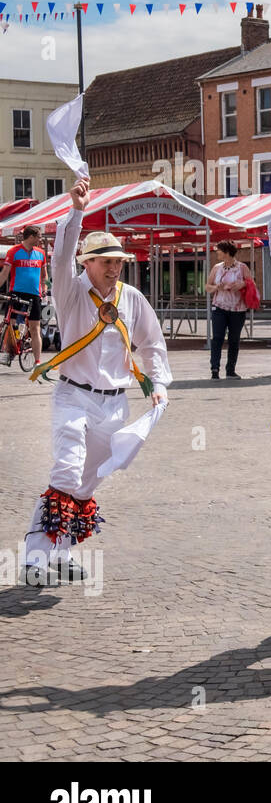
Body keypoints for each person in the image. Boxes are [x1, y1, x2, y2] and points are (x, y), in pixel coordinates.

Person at [20, 178, 170, 586]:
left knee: (88, 479)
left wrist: (159, 384)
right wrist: (77, 211)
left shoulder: (131, 298)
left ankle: (63, 552)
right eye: (106, 260)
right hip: (73, 396)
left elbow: (152, 343)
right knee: (67, 471)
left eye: (118, 260)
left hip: (114, 403)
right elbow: (62, 254)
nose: (114, 266)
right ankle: (35, 557)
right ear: (87, 263)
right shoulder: (70, 290)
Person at [2, 225, 48, 367]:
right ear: (31, 237)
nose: (40, 240)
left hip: (35, 294)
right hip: (17, 292)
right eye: (39, 237)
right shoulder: (14, 251)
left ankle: (37, 361)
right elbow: (4, 273)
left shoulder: (41, 253)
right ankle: (10, 350)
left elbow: (44, 275)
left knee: (35, 328)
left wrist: (45, 288)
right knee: (11, 323)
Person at [204, 240, 251, 380]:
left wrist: (241, 284)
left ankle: (230, 370)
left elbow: (251, 284)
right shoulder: (217, 268)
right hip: (219, 307)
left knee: (234, 339)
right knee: (217, 337)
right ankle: (215, 369)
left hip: (238, 308)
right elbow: (207, 286)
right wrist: (216, 288)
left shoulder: (242, 268)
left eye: (218, 250)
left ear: (226, 252)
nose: (217, 252)